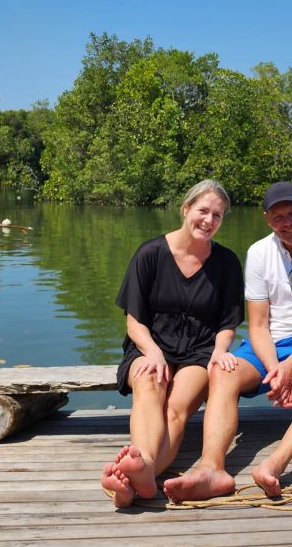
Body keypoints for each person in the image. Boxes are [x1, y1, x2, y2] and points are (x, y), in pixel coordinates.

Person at [164, 181, 292, 501]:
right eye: (278, 217)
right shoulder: (258, 252)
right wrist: (275, 367)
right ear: (267, 219)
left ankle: (275, 463)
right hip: (266, 346)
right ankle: (212, 469)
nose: (287, 222)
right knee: (222, 369)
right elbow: (259, 326)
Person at [100, 179, 244, 508]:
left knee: (176, 409)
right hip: (149, 346)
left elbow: (227, 323)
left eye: (217, 216)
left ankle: (140, 474)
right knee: (151, 382)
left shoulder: (227, 263)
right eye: (203, 211)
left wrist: (221, 351)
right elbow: (134, 320)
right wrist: (153, 352)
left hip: (200, 352)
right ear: (185, 209)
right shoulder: (150, 254)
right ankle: (145, 470)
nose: (209, 221)